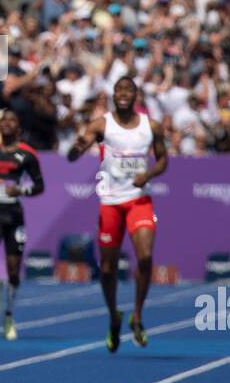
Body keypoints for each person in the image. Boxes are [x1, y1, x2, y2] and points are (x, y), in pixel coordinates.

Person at [66, 76, 168, 352]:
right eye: (119, 90)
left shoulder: (151, 126)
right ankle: (113, 315)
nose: (123, 94)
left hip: (138, 200)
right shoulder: (103, 124)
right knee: (108, 267)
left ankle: (137, 314)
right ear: (114, 95)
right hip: (110, 202)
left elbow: (163, 159)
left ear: (135, 95)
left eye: (128, 90)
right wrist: (76, 149)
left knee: (145, 256)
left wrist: (147, 173)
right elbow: (81, 144)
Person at [0, 109, 46, 340]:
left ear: (19, 128)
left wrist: (21, 190)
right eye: (3, 121)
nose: (6, 124)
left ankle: (9, 315)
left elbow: (39, 185)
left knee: (14, 270)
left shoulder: (27, 155)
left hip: (14, 215)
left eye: (11, 120)